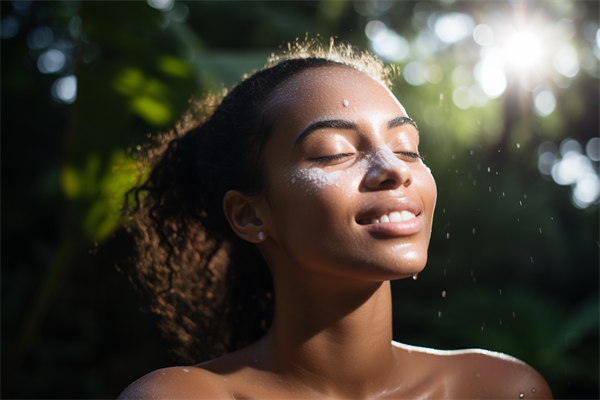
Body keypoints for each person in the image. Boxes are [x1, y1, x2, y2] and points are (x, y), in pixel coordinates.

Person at [118, 42, 552, 399]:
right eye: (334, 152)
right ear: (249, 214)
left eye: (406, 148)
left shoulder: (500, 390)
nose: (394, 168)